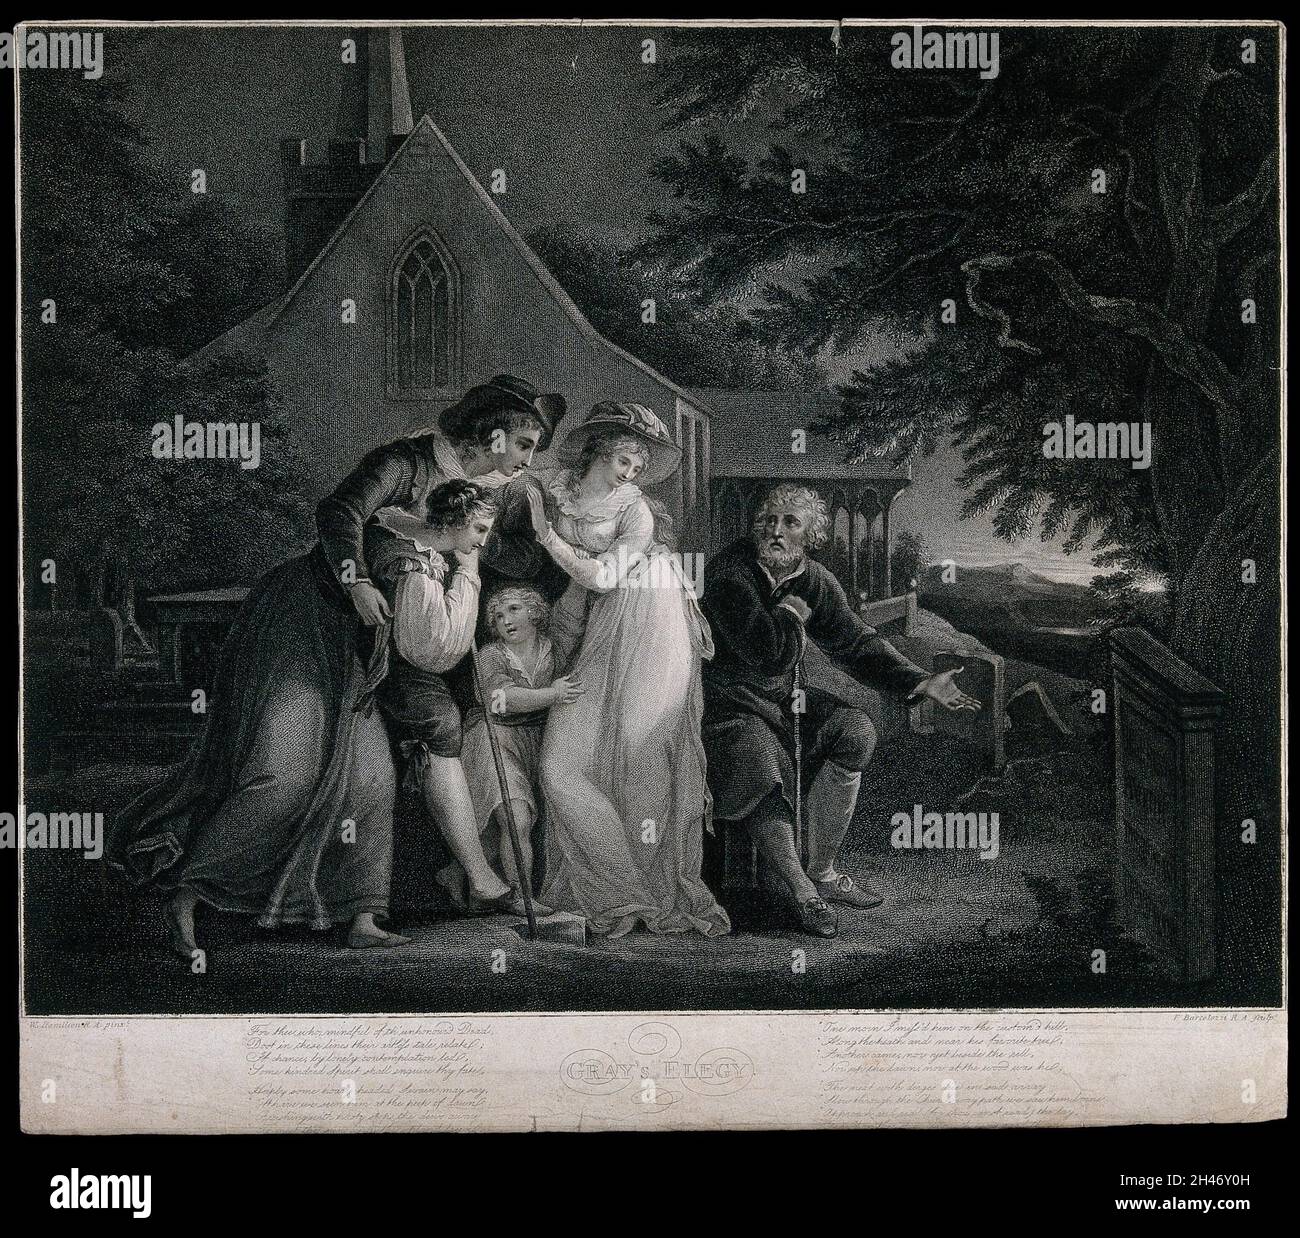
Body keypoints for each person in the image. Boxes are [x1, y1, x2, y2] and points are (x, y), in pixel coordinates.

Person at [105, 375, 565, 959]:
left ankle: (361, 915)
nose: (529, 459)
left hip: (364, 649)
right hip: (304, 622)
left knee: (371, 779)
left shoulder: (481, 496)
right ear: (493, 433)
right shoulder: (405, 463)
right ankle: (185, 892)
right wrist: (357, 582)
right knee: (285, 773)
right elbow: (339, 510)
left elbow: (489, 562)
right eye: (525, 444)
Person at [700, 484, 980, 939]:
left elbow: (855, 642)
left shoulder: (815, 579)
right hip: (728, 702)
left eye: (790, 523)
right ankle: (801, 891)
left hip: (785, 700)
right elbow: (765, 653)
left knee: (855, 731)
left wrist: (920, 681)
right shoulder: (730, 573)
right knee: (758, 761)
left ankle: (824, 873)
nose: (776, 531)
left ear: (810, 534)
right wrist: (790, 616)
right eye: (768, 521)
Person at [526, 402, 731, 939]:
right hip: (605, 621)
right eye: (624, 458)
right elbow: (579, 586)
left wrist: (548, 539)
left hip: (654, 616)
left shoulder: (636, 512)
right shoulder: (558, 493)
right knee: (562, 764)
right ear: (599, 448)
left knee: (642, 758)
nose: (631, 471)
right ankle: (620, 893)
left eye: (639, 465)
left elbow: (601, 575)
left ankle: (647, 896)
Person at [362, 481, 536, 919]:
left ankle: (471, 871)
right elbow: (435, 648)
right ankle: (479, 873)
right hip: (391, 665)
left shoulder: (431, 555)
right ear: (454, 522)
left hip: (413, 660)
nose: (481, 540)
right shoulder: (415, 567)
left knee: (453, 716)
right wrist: (470, 575)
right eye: (478, 529)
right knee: (442, 724)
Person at [451, 585, 584, 910]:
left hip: (538, 741)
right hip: (494, 739)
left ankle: (461, 878)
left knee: (535, 824)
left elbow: (573, 611)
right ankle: (520, 897)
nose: (505, 620)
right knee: (516, 819)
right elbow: (499, 700)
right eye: (497, 616)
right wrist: (550, 695)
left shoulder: (554, 648)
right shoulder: (491, 655)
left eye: (513, 609)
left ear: (534, 612)